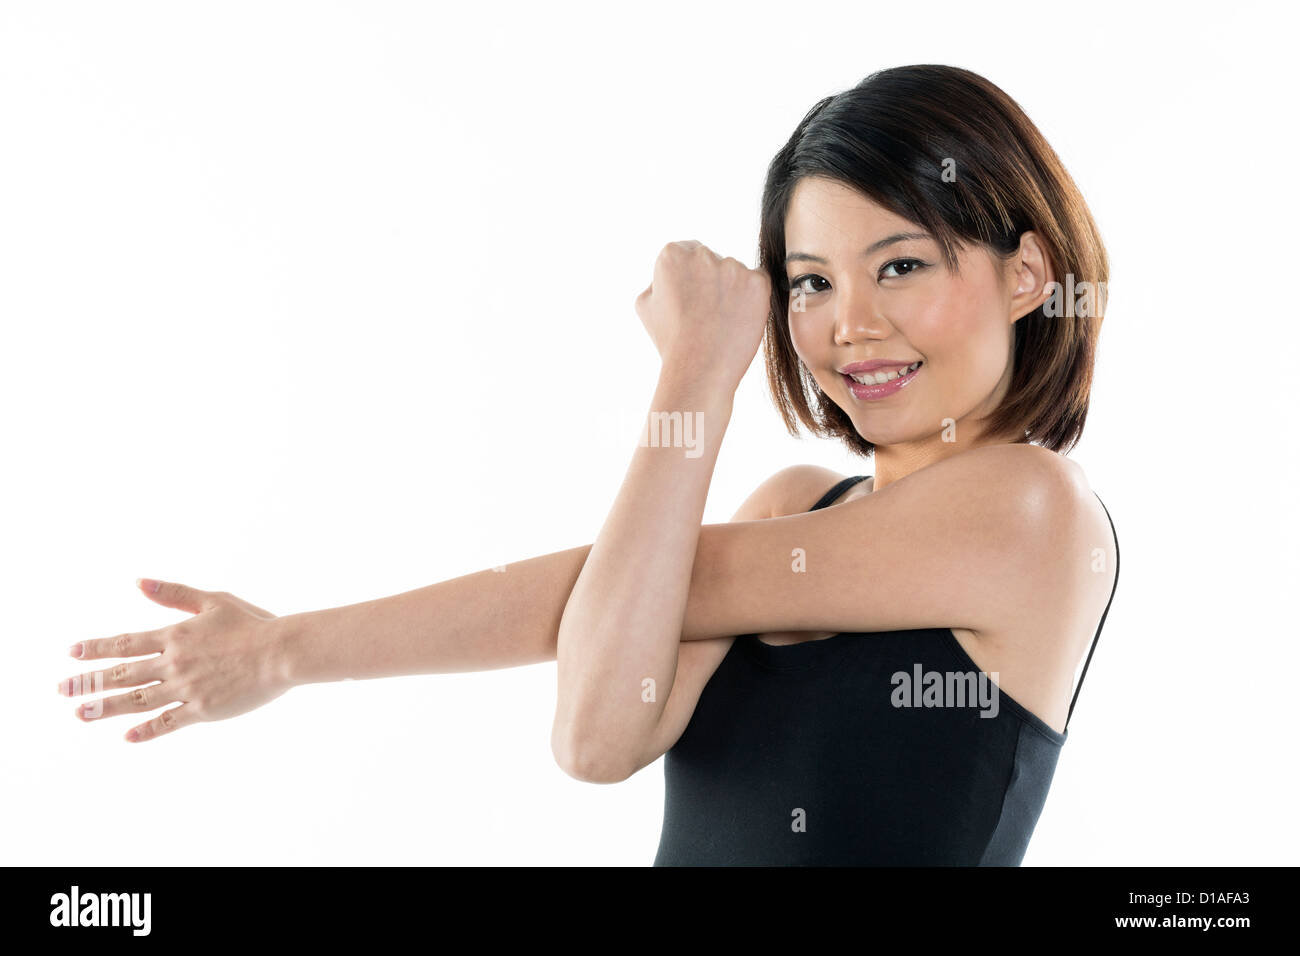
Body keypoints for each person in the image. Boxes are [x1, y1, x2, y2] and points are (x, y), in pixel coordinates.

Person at [58, 64, 1119, 865]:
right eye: (807, 283)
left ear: (1027, 272)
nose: (849, 325)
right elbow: (596, 732)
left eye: (900, 265)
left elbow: (661, 580)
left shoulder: (1030, 509)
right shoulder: (795, 505)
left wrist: (696, 370)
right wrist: (694, 387)